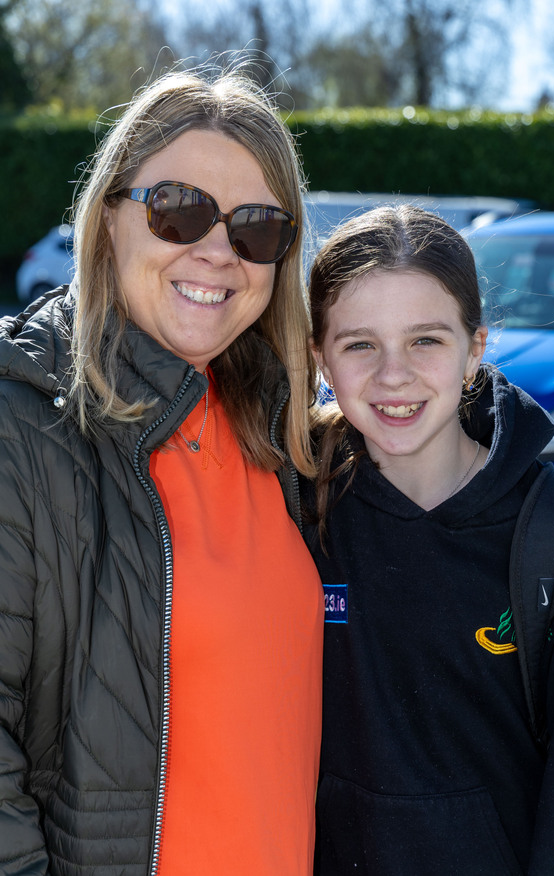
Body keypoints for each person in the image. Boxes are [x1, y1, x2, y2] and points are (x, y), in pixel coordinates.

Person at [0, 66, 324, 875]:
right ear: (110, 218)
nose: (216, 252)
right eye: (178, 211)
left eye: (256, 230)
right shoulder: (22, 421)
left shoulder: (279, 434)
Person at [304, 204, 554, 875]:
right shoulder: (298, 509)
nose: (394, 374)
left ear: (474, 349)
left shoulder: (551, 533)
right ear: (319, 357)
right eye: (359, 345)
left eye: (426, 341)